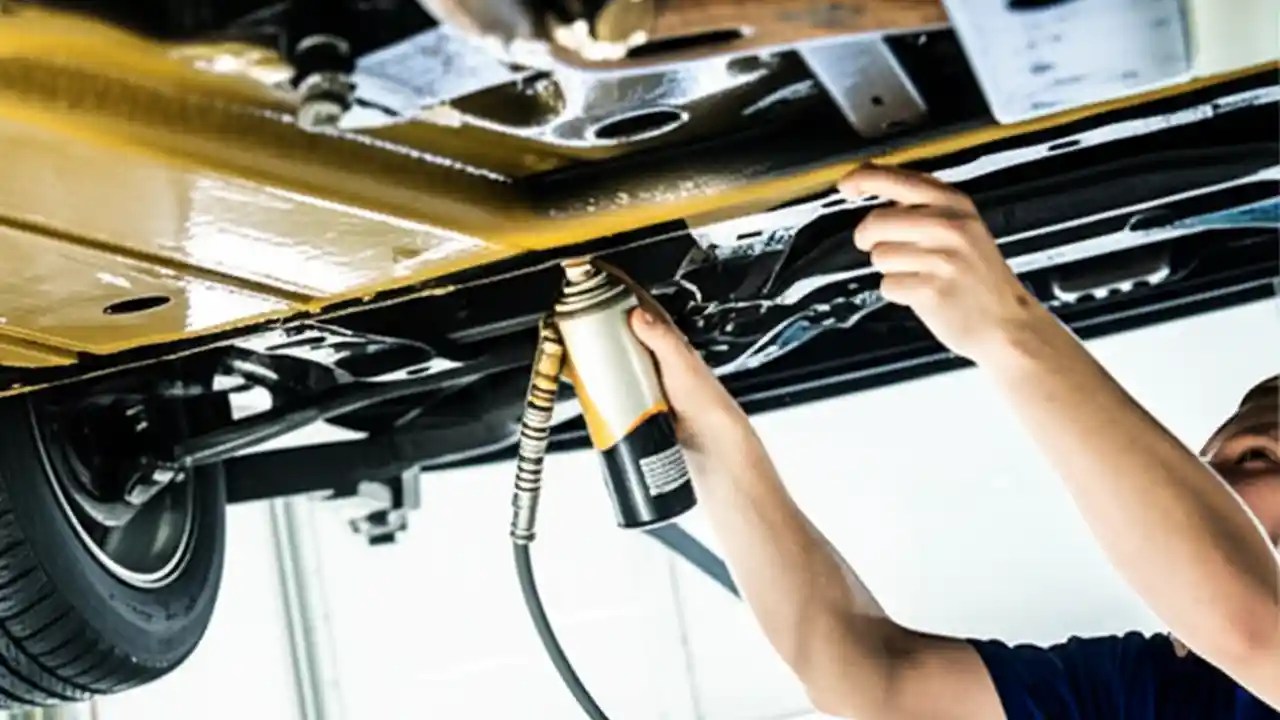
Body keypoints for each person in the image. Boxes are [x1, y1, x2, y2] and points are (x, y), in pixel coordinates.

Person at [626, 164, 1280, 719]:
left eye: (1262, 456)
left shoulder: (1229, 650)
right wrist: (707, 435)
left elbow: (1247, 625)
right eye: (1208, 469)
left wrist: (1008, 331)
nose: (1218, 495)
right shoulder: (1175, 695)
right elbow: (871, 673)